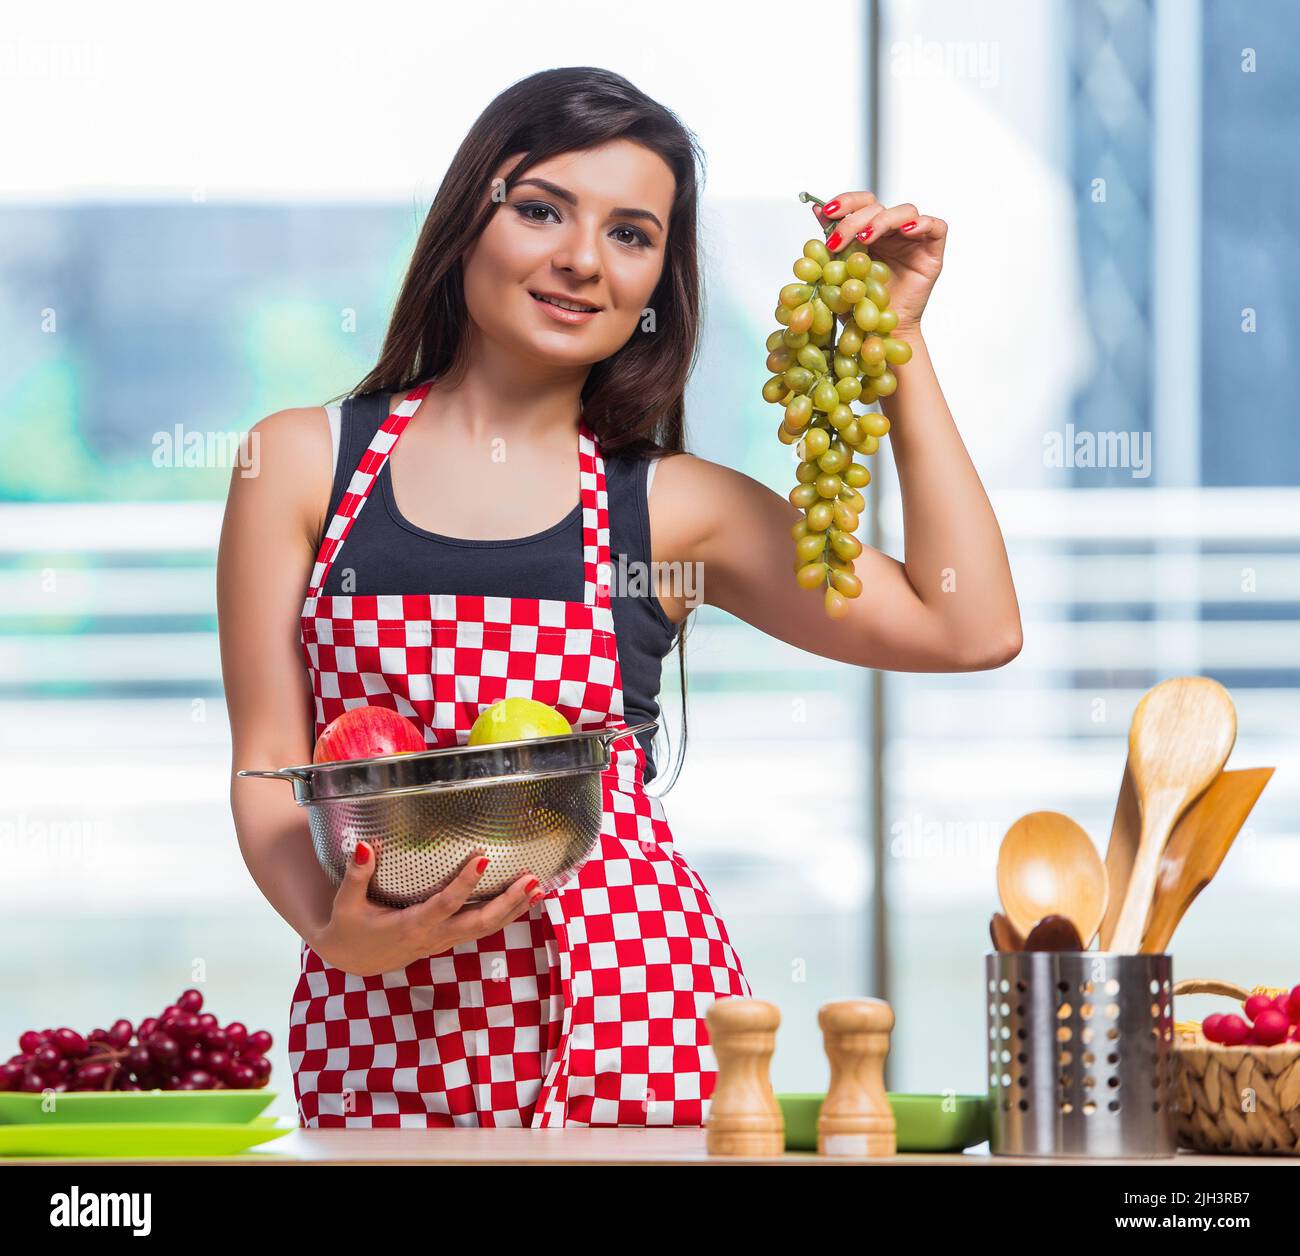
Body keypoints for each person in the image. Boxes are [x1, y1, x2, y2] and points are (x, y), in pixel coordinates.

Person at [216, 66, 1022, 1129]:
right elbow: (268, 766)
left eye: (631, 234)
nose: (582, 259)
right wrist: (332, 929)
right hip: (384, 1016)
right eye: (542, 209)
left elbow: (969, 625)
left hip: (640, 1020)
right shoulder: (295, 463)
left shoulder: (673, 511)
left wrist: (897, 337)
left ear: (657, 284)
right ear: (468, 219)